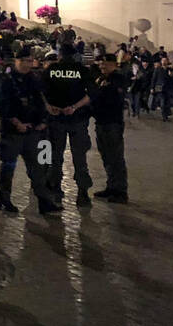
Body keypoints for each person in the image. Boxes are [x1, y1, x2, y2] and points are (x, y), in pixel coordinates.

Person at [0, 51, 60, 215]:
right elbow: (2, 106)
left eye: (30, 61)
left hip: (33, 132)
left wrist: (43, 122)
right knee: (8, 167)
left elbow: (41, 101)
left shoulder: (34, 79)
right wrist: (16, 122)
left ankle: (44, 201)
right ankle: (4, 198)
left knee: (38, 168)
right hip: (13, 132)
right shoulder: (8, 81)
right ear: (16, 61)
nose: (27, 64)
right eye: (24, 61)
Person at [42, 41, 94, 207]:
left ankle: (56, 190)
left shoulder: (51, 70)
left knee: (55, 157)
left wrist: (49, 107)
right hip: (77, 119)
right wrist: (74, 107)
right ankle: (82, 193)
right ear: (75, 55)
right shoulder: (83, 71)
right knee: (80, 157)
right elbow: (91, 94)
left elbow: (40, 92)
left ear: (60, 55)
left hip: (56, 119)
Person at [91, 52, 128, 204]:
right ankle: (111, 186)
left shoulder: (118, 79)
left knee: (116, 157)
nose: (102, 66)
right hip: (101, 122)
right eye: (100, 63)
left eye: (105, 63)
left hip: (113, 122)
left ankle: (120, 191)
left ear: (113, 64)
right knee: (106, 156)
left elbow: (114, 98)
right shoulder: (101, 79)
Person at [151, 56, 173, 121]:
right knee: (162, 102)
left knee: (166, 102)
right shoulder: (158, 69)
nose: (164, 62)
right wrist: (152, 87)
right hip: (160, 89)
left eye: (165, 60)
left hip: (167, 89)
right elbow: (154, 79)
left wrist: (171, 75)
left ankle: (166, 115)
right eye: (163, 60)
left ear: (167, 61)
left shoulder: (169, 70)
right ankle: (164, 116)